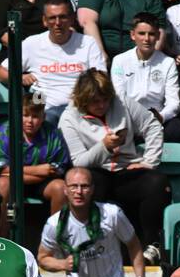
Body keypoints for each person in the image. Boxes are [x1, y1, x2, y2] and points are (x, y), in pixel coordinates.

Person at [57, 68, 169, 254]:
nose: (102, 105)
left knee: (157, 182)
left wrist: (149, 162)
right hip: (97, 171)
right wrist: (104, 147)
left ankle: (151, 245)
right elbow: (78, 162)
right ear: (83, 100)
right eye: (95, 102)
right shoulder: (69, 118)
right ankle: (92, 245)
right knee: (89, 183)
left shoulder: (122, 102)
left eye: (105, 99)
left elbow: (153, 126)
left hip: (128, 169)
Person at [37, 166, 150, 277]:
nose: (79, 191)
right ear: (66, 190)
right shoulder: (54, 224)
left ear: (93, 189)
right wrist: (61, 263)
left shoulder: (112, 214)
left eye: (84, 186)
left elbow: (134, 245)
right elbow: (43, 257)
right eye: (74, 186)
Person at [0, 0, 106, 128]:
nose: (58, 23)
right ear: (44, 21)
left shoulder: (88, 43)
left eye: (63, 17)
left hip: (79, 105)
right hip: (43, 101)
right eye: (52, 18)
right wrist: (20, 77)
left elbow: (100, 77)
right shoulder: (32, 43)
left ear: (71, 19)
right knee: (38, 111)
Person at [0, 98, 71, 215]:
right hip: (11, 182)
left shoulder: (52, 133)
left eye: (35, 116)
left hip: (41, 184)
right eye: (25, 115)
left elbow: (56, 169)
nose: (30, 121)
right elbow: (0, 169)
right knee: (2, 184)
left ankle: (56, 232)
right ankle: (2, 232)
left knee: (60, 187)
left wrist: (15, 173)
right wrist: (38, 170)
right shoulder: (5, 132)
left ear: (43, 116)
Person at [110, 12, 180, 142]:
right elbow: (118, 97)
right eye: (141, 33)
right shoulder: (119, 61)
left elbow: (174, 102)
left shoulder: (167, 62)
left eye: (152, 34)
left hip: (157, 117)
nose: (146, 39)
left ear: (158, 35)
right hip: (129, 118)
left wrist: (161, 117)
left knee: (176, 128)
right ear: (133, 35)